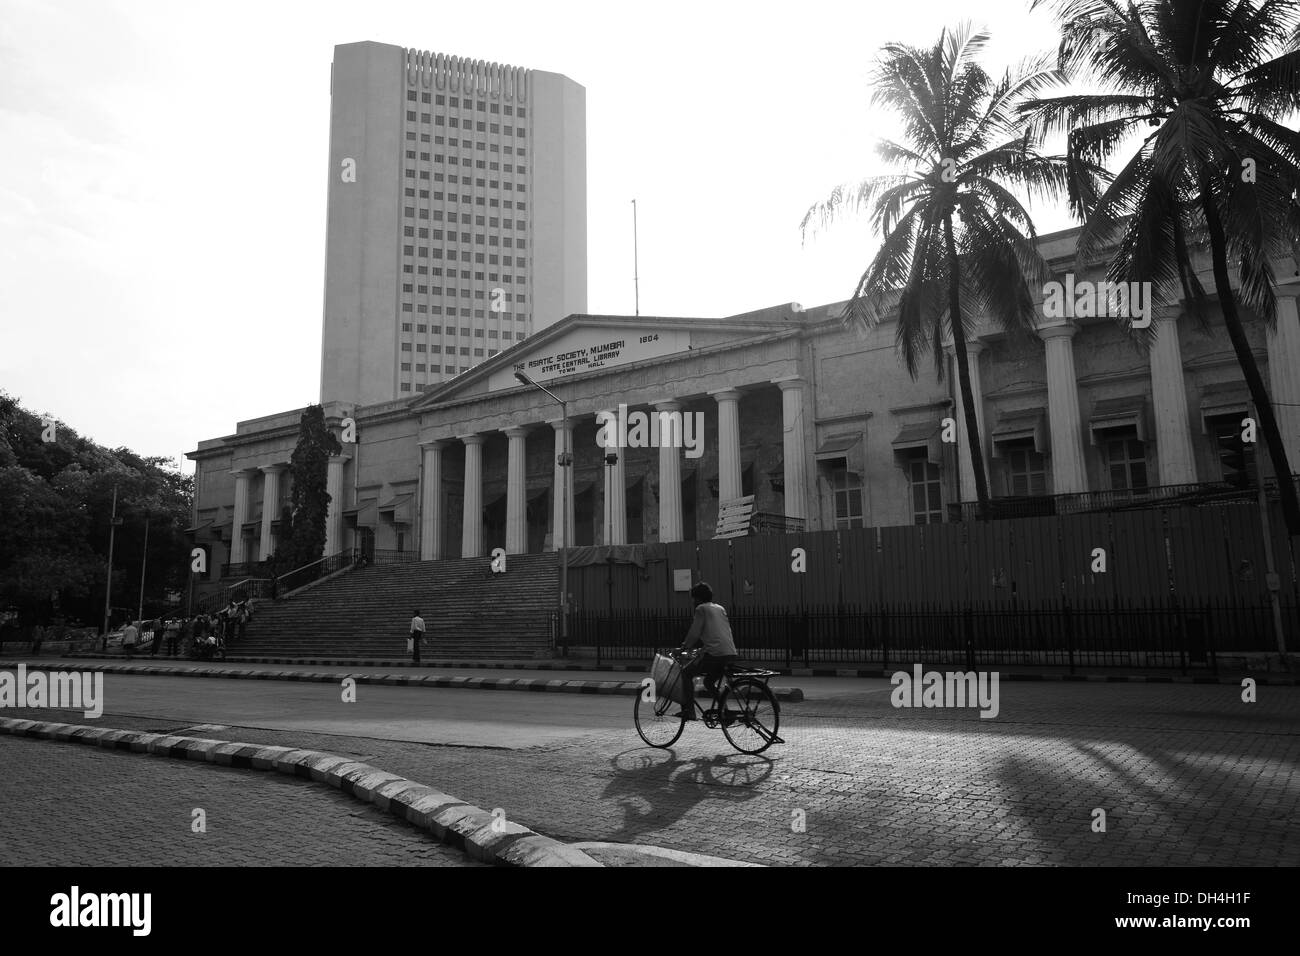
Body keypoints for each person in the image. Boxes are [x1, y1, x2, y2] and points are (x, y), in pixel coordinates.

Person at [674, 582, 740, 720]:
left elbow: (694, 633)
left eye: (693, 599)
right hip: (730, 653)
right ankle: (724, 712)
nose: (692, 602)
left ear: (697, 598)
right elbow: (718, 635)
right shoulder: (719, 608)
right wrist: (702, 650)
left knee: (686, 674)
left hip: (716, 655)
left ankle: (690, 712)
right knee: (708, 682)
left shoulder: (701, 609)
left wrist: (684, 648)